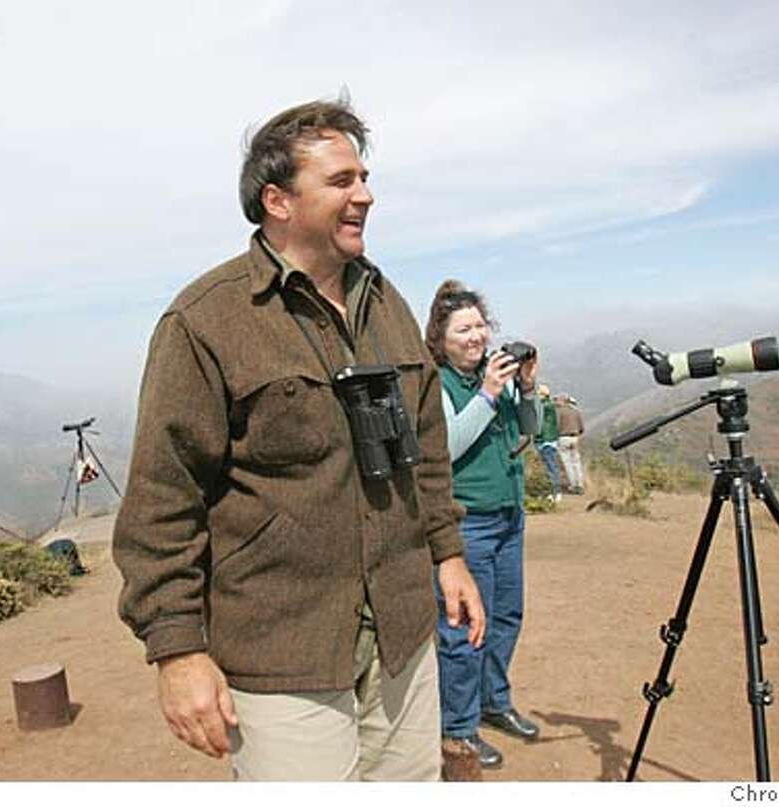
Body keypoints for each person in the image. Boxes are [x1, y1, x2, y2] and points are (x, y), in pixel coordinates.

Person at [111, 98, 485, 782]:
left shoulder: (386, 300)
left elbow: (426, 445)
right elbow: (163, 499)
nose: (365, 195)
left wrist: (448, 554)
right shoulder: (206, 320)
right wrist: (177, 651)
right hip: (283, 653)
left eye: (364, 178)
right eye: (342, 181)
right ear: (277, 200)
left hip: (403, 637)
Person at [424, 280, 542, 772]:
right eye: (463, 328)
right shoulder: (436, 383)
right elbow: (445, 447)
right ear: (441, 337)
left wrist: (527, 388)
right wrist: (490, 394)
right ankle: (458, 728)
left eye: (480, 326)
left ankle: (494, 702)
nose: (475, 336)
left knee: (508, 617)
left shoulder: (496, 376)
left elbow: (530, 432)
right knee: (465, 630)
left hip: (509, 515)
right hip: (467, 523)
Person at [534, 384, 563, 502]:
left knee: (551, 467)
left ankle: (555, 491)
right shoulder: (548, 405)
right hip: (548, 439)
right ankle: (552, 491)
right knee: (550, 466)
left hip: (546, 440)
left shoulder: (545, 406)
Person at [555, 393, 587, 494]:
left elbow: (556, 426)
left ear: (562, 401)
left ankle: (573, 486)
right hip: (575, 438)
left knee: (567, 462)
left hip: (563, 438)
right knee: (576, 462)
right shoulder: (576, 411)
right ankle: (580, 484)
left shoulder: (559, 412)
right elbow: (581, 427)